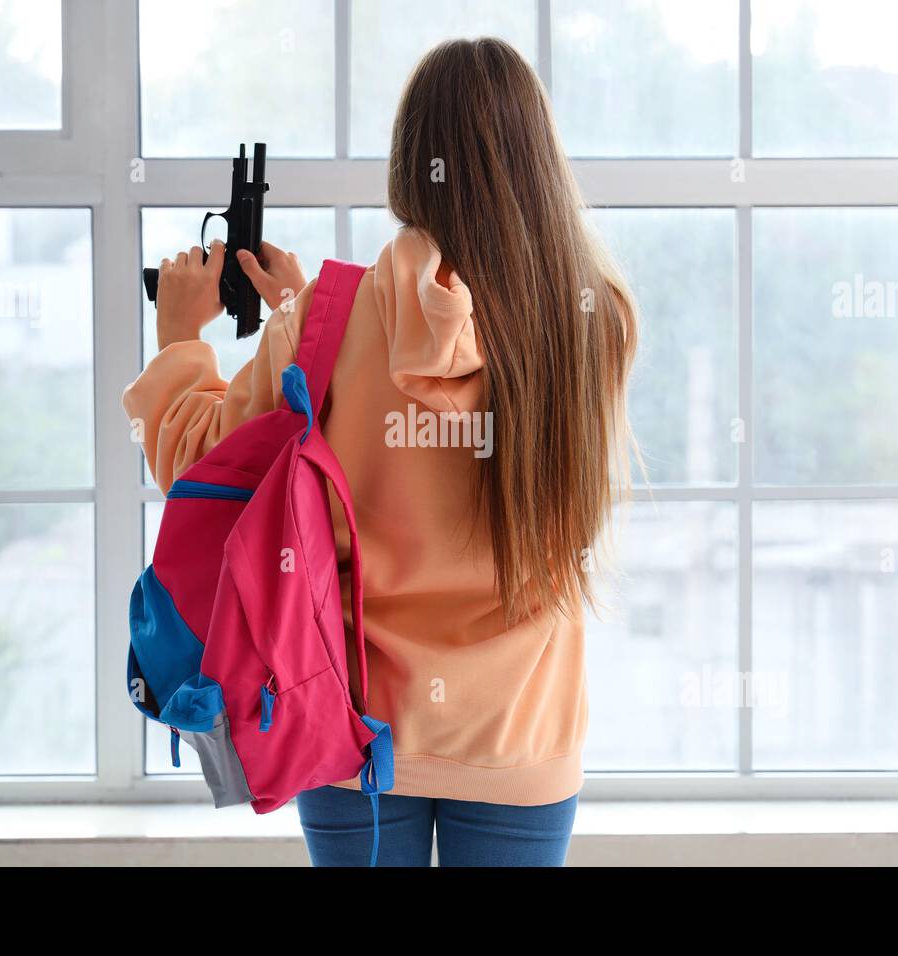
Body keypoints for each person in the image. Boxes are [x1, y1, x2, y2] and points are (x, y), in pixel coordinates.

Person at [123, 37, 638, 867]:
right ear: (539, 161)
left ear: (409, 165)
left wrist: (184, 339)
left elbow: (202, 471)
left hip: (352, 729)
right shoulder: (595, 322)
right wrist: (302, 315)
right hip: (522, 737)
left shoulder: (323, 324)